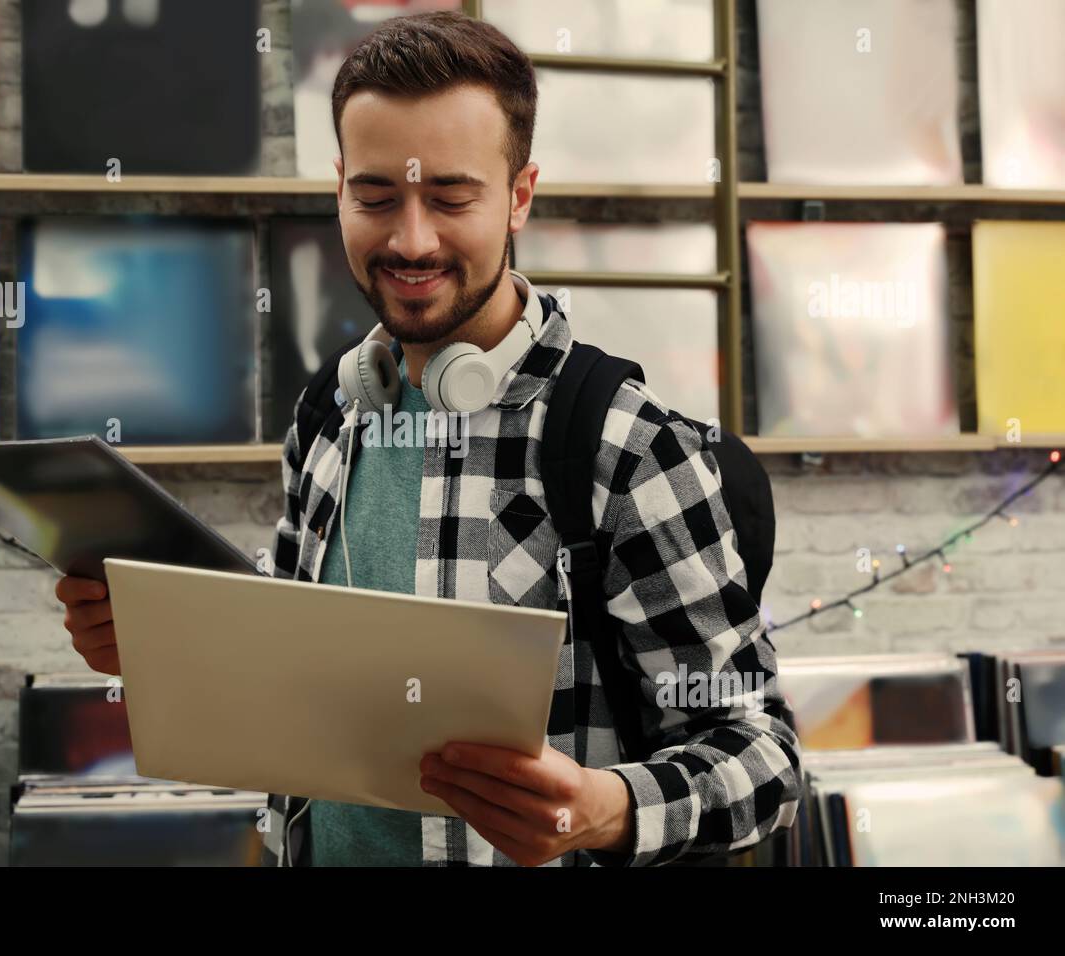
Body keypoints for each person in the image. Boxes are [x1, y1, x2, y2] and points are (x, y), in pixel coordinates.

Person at [57, 10, 801, 867]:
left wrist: (609, 809)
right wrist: (160, 642)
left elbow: (764, 755)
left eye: (451, 198)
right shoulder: (329, 417)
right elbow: (307, 681)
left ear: (520, 194)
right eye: (375, 197)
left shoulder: (627, 446)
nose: (411, 240)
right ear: (338, 186)